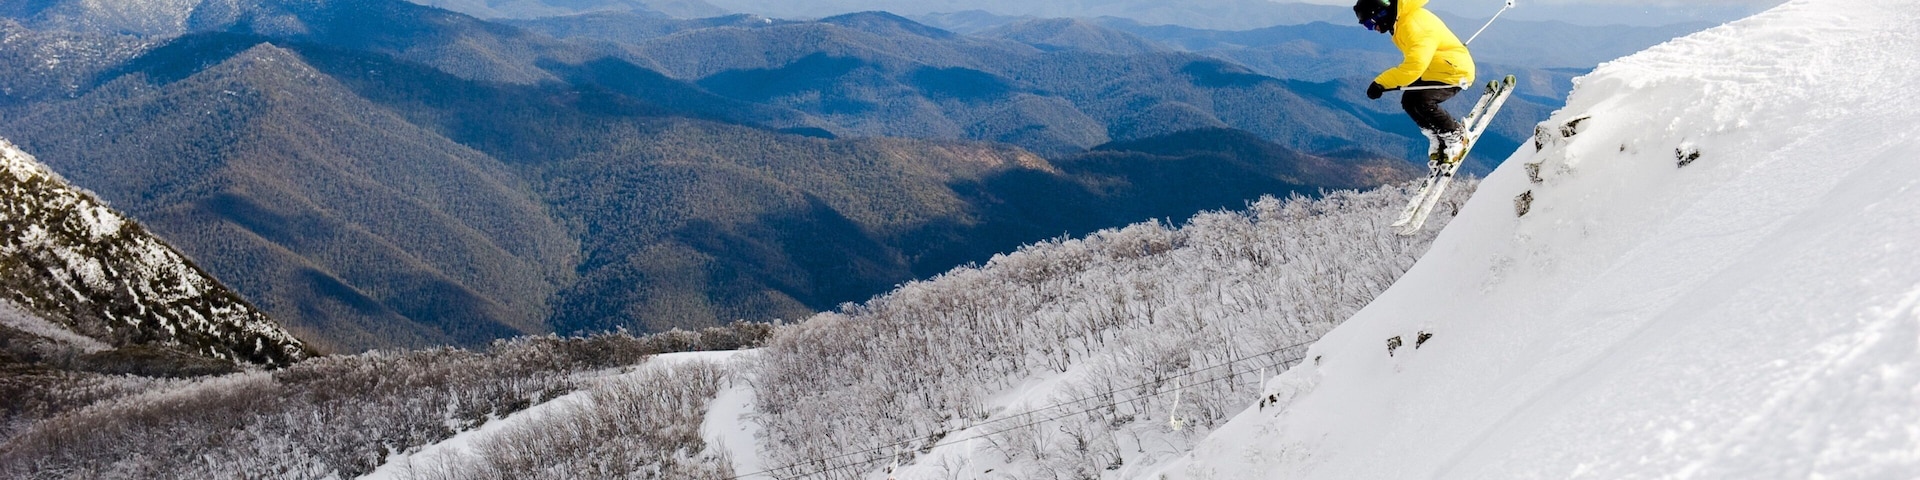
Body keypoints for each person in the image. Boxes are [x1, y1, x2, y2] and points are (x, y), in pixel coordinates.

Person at [1354, 0, 1476, 165]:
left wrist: (1380, 83)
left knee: (1422, 101)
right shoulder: (1401, 21)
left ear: (1381, 14)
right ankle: (1437, 136)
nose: (1371, 29)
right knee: (1409, 101)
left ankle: (1456, 135)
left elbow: (1414, 66)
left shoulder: (1414, 26)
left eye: (1369, 24)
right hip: (1435, 69)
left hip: (1454, 72)